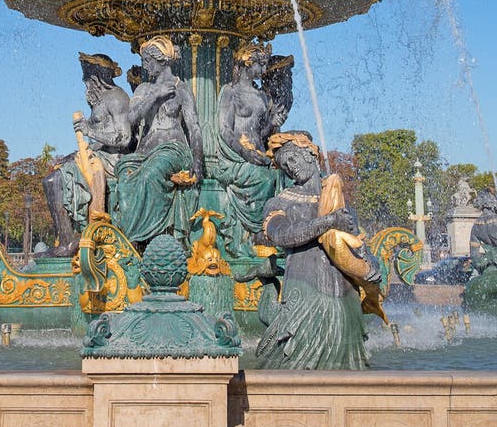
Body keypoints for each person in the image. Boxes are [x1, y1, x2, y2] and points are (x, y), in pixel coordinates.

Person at [255, 132, 370, 370]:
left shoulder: (338, 201)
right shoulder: (279, 202)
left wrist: (371, 267)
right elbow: (282, 235)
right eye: (285, 166)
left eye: (293, 159)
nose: (291, 168)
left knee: (348, 378)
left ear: (310, 154)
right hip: (304, 301)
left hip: (344, 304)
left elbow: (359, 248)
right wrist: (328, 222)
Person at [115, 35, 204, 247]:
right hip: (145, 151)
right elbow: (129, 120)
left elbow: (194, 127)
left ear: (162, 60)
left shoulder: (182, 89)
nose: (144, 66)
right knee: (124, 177)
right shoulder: (144, 89)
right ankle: (130, 236)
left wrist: (198, 160)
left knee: (150, 174)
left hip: (173, 149)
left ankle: (140, 238)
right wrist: (154, 95)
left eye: (148, 60)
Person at [42, 53, 131, 256]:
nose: (85, 82)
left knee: (54, 180)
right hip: (98, 154)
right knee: (56, 172)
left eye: (88, 78)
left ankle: (68, 242)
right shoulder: (101, 100)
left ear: (98, 77)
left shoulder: (117, 98)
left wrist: (89, 130)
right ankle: (67, 237)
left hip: (112, 161)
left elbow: (124, 138)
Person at [216, 42, 281, 256]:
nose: (264, 71)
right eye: (260, 65)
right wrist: (246, 153)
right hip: (235, 158)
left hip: (258, 155)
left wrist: (274, 122)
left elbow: (262, 134)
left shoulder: (262, 96)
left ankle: (277, 234)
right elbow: (225, 130)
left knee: (282, 177)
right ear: (247, 63)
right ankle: (256, 235)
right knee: (265, 179)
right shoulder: (230, 92)